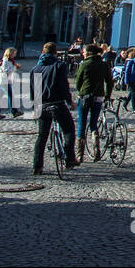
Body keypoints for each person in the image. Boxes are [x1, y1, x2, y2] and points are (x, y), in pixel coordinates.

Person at [31, 42, 78, 174]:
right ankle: (70, 159)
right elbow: (63, 86)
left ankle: (37, 166)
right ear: (55, 52)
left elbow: (33, 91)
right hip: (57, 103)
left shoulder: (35, 69)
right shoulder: (59, 66)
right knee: (69, 130)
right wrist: (69, 102)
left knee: (42, 136)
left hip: (42, 105)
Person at [75, 44, 113, 162]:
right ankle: (97, 151)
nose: (83, 53)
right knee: (93, 124)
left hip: (85, 96)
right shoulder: (104, 64)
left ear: (89, 53)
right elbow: (109, 82)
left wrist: (82, 91)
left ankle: (80, 154)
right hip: (99, 97)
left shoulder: (85, 64)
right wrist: (107, 96)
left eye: (85, 52)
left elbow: (78, 83)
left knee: (82, 123)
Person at [0, 46, 23, 117]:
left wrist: (14, 66)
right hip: (4, 81)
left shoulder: (10, 61)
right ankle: (14, 112)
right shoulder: (6, 61)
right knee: (11, 96)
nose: (15, 55)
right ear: (10, 53)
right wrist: (15, 67)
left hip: (4, 81)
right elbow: (6, 71)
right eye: (14, 53)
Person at [121, 48, 135, 113]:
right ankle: (134, 108)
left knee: (131, 93)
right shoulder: (131, 62)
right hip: (131, 80)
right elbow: (127, 72)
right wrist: (126, 81)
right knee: (133, 93)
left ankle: (124, 105)